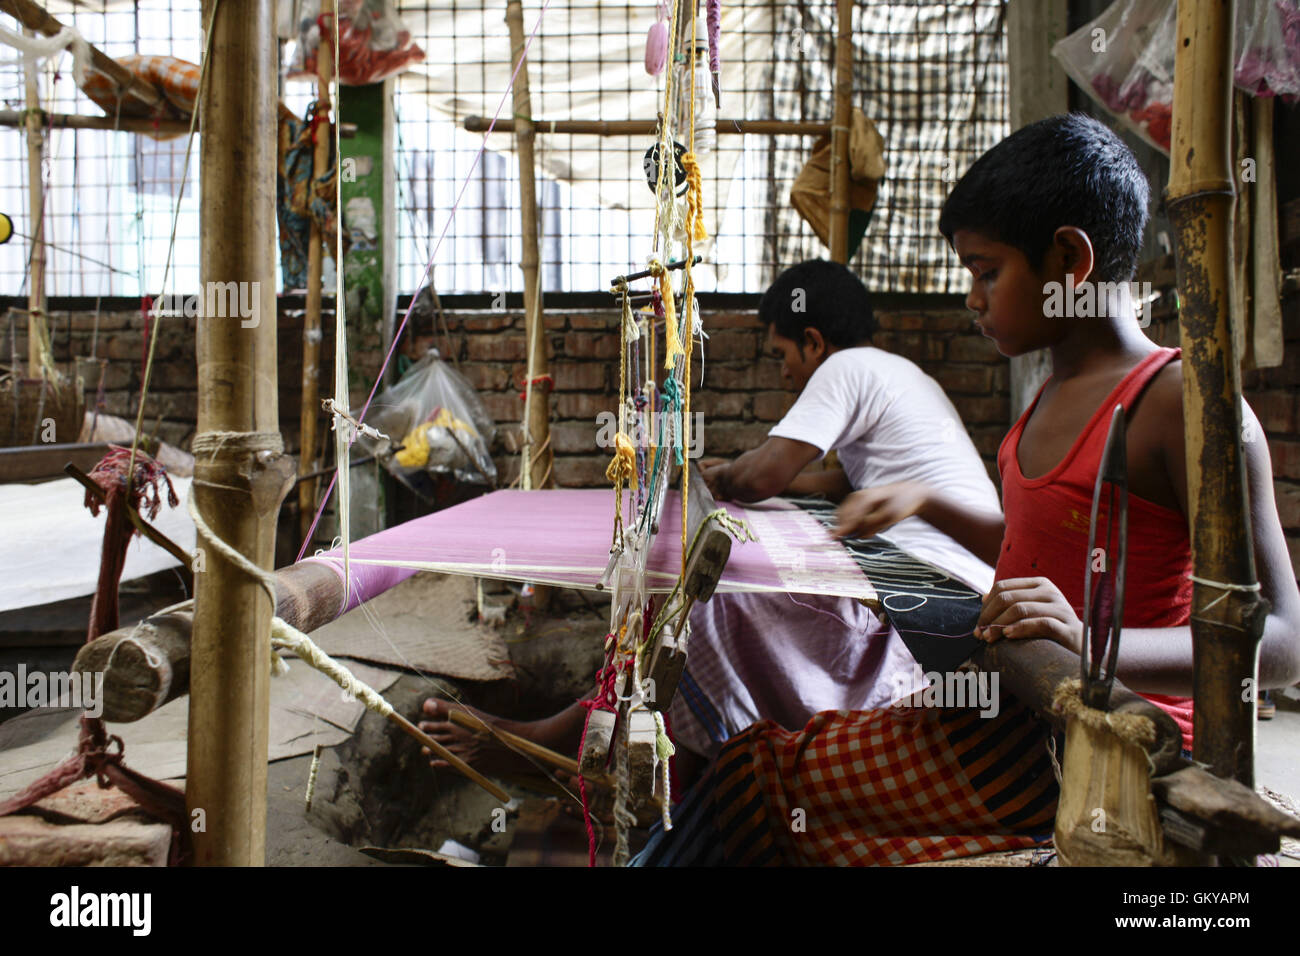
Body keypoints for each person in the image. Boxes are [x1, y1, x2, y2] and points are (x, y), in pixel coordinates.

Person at [632, 112, 1300, 866]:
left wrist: (1090, 648)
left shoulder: (1183, 405)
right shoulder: (1049, 397)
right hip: (1013, 710)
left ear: (1069, 261)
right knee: (753, 766)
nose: (973, 299)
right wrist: (928, 502)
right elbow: (1027, 556)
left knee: (748, 782)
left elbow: (1283, 643)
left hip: (1097, 746)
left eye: (987, 271)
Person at [416, 260, 1003, 779]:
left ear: (814, 341)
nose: (782, 374)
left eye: (782, 355)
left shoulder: (844, 369)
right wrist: (740, 473)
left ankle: (573, 743)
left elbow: (765, 478)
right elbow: (841, 483)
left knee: (701, 598)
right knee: (703, 589)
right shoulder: (897, 373)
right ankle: (670, 764)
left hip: (927, 606)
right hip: (943, 587)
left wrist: (725, 477)